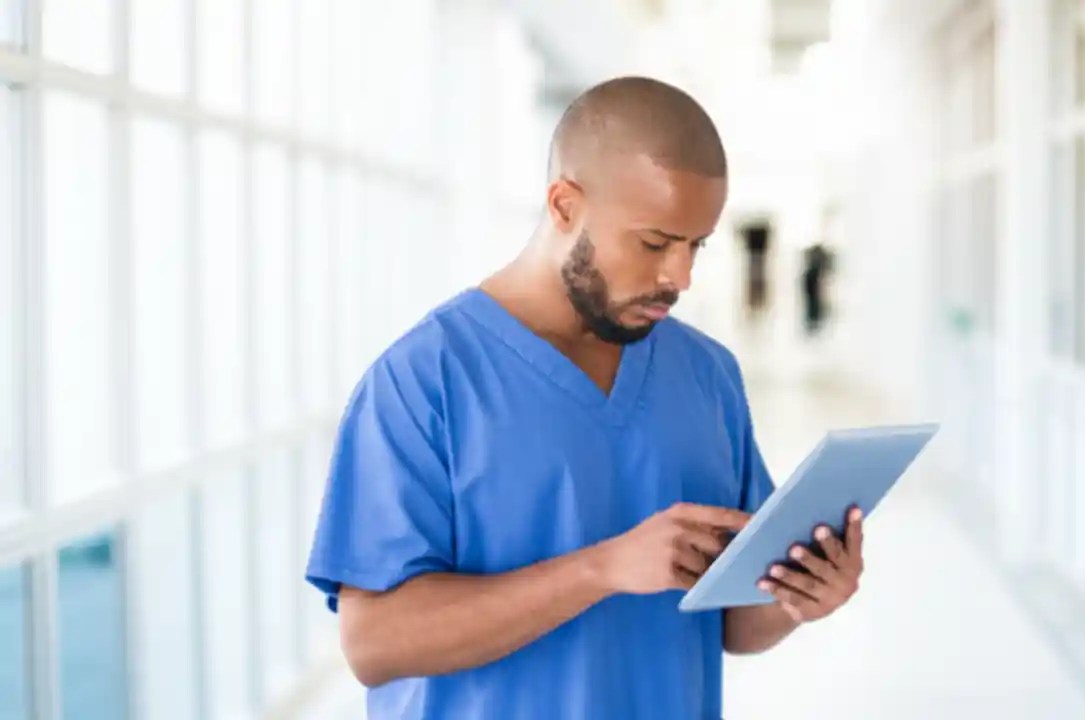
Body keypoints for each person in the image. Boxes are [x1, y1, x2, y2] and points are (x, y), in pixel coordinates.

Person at [305, 76, 866, 720]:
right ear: (564, 204)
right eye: (654, 243)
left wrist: (800, 597)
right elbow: (374, 643)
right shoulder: (423, 380)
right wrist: (601, 570)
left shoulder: (707, 375)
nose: (679, 277)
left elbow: (736, 624)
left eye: (696, 246)